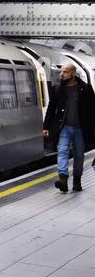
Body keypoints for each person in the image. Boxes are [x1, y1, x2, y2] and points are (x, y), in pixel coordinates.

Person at [43, 62, 95, 192]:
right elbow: (51, 108)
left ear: (72, 73)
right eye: (61, 72)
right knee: (62, 151)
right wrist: (46, 127)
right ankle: (63, 179)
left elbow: (93, 109)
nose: (61, 74)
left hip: (81, 129)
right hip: (64, 127)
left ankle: (77, 181)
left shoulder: (86, 88)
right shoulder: (57, 89)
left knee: (79, 155)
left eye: (65, 72)